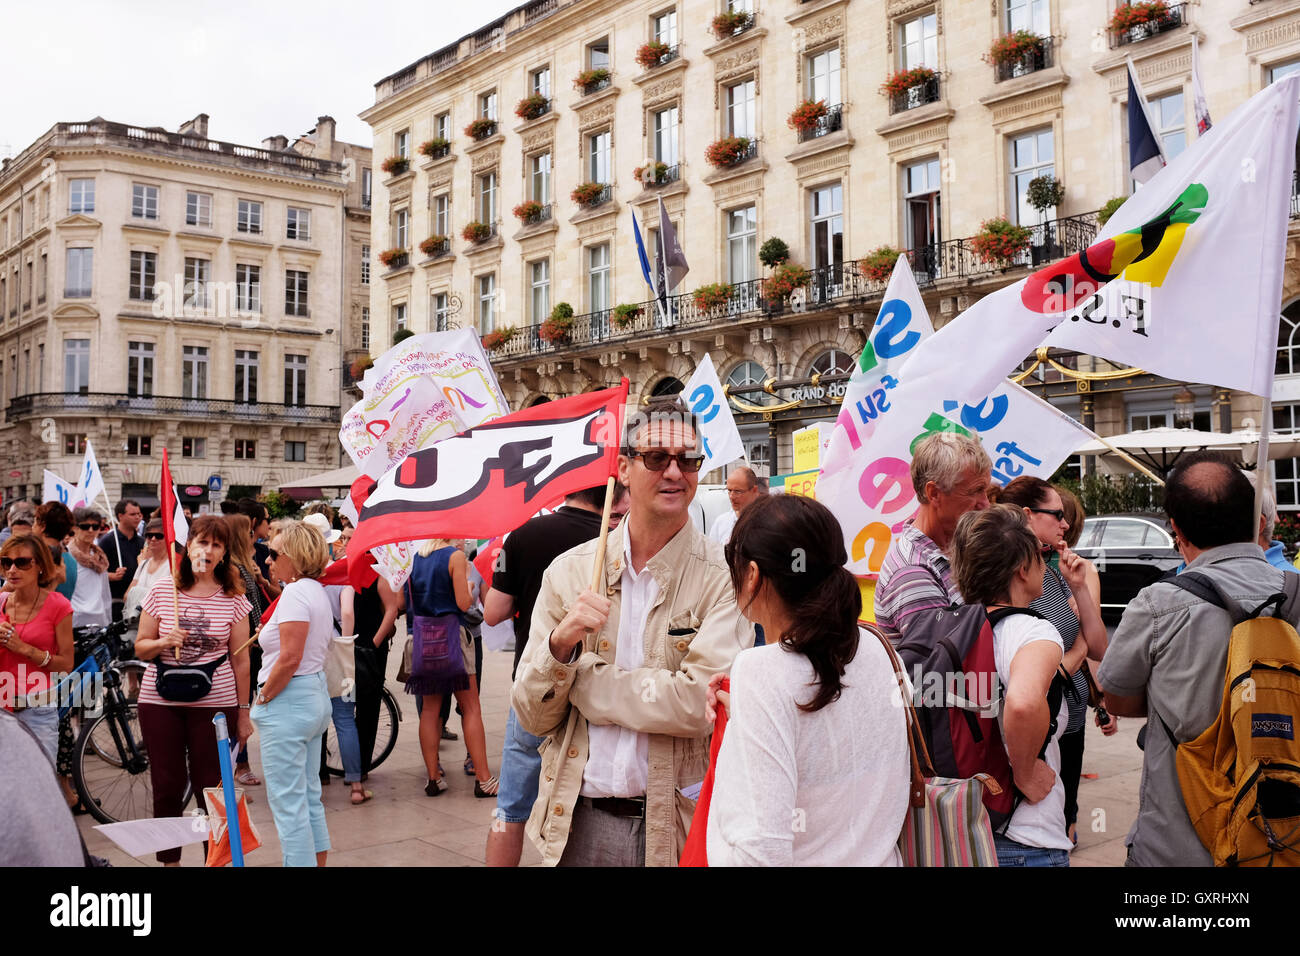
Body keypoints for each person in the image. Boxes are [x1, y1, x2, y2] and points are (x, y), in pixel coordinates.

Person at [512, 397, 753, 866]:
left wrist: (584, 680)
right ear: (623, 468)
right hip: (576, 821)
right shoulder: (570, 572)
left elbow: (696, 707)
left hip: (676, 825)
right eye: (656, 457)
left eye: (687, 459)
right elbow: (531, 716)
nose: (673, 472)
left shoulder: (724, 577)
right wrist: (560, 648)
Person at [1098, 451, 1300, 866]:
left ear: (1176, 529)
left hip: (1178, 843)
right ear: (1259, 523)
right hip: (1285, 841)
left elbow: (1115, 699)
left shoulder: (1158, 605)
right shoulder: (1297, 593)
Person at [704, 494, 910, 865]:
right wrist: (749, 720)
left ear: (751, 575)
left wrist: (757, 709)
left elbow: (760, 849)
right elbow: (838, 742)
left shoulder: (760, 670)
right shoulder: (878, 647)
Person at [482, 482, 628, 867]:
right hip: (592, 694)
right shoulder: (614, 543)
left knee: (510, 811)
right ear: (613, 495)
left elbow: (493, 612)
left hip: (535, 686)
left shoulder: (523, 535)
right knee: (585, 808)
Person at [990, 476, 1113, 846]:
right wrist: (1073, 650)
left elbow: (1099, 648)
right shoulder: (1018, 582)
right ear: (1027, 515)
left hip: (1069, 721)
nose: (1065, 524)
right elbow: (1046, 674)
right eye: (1057, 515)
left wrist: (1078, 586)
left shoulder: (1052, 571)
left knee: (1064, 810)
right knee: (1043, 822)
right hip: (1037, 732)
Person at [951, 505, 1072, 867]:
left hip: (960, 829)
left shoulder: (950, 628)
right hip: (1024, 838)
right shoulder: (1032, 632)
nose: (1046, 565)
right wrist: (1024, 773)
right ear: (1022, 568)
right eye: (1042, 555)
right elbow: (1021, 703)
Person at [135, 515, 252, 866]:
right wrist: (163, 641)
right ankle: (170, 861)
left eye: (216, 544)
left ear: (224, 552)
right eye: (202, 542)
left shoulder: (234, 598)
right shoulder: (162, 589)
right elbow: (140, 647)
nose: (208, 550)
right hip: (160, 700)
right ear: (189, 547)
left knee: (212, 789)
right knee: (167, 785)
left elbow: (242, 661)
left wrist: (244, 713)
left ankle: (213, 860)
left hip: (215, 703)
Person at [249, 520, 335, 866]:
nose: (268, 560)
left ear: (294, 557)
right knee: (308, 797)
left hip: (290, 699)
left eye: (274, 553)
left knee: (289, 804)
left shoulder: (298, 592)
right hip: (310, 695)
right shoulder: (313, 590)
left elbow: (289, 658)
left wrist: (264, 698)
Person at [875, 432, 992, 644]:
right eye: (976, 491)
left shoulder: (957, 547)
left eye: (986, 490)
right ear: (934, 493)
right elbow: (948, 667)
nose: (985, 504)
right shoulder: (912, 574)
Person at [402, 537, 497, 797]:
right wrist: (467, 582)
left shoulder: (416, 558)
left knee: (430, 711)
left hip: (424, 638)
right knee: (471, 708)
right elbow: (463, 604)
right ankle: (484, 780)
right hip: (453, 637)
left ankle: (433, 778)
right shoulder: (453, 558)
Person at [0, 535, 74, 763]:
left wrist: (25, 649)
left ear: (40, 565)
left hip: (37, 710)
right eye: (6, 562)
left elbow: (66, 664)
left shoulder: (58, 605)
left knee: (40, 789)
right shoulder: (1, 601)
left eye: (22, 562)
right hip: (2, 707)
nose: (12, 569)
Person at [340, 541, 401, 780]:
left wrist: (373, 643)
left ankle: (359, 765)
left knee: (362, 707)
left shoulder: (378, 571)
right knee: (352, 708)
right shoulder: (347, 571)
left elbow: (391, 610)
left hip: (365, 651)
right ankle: (356, 767)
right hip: (354, 649)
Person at [222, 513, 264, 788]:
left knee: (244, 701)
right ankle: (240, 764)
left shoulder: (243, 564)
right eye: (248, 531)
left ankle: (240, 763)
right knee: (241, 704)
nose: (252, 535)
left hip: (252, 640)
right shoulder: (234, 567)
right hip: (242, 643)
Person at [99, 499, 143, 622]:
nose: (137, 517)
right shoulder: (107, 541)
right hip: (114, 602)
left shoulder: (143, 542)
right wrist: (112, 576)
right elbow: (95, 572)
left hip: (136, 602)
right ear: (120, 516)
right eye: (133, 514)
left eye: (139, 514)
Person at [68, 506, 112, 628]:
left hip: (99, 621)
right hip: (74, 621)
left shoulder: (100, 558)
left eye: (95, 527)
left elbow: (105, 593)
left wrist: (108, 621)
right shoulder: (66, 556)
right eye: (85, 526)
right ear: (74, 528)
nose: (91, 530)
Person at [123, 518, 172, 620]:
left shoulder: (173, 567)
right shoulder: (143, 564)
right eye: (149, 536)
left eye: (159, 536)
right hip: (136, 621)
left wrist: (138, 595)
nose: (153, 539)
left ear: (168, 537)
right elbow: (127, 596)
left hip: (159, 622)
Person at [708, 466, 767, 545]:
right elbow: (712, 554)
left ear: (754, 490)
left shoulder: (767, 521)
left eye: (737, 491)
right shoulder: (721, 522)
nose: (731, 496)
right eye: (729, 490)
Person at [34, 502, 76, 599]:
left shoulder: (35, 558)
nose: (32, 527)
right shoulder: (71, 561)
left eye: (35, 522)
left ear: (43, 526)